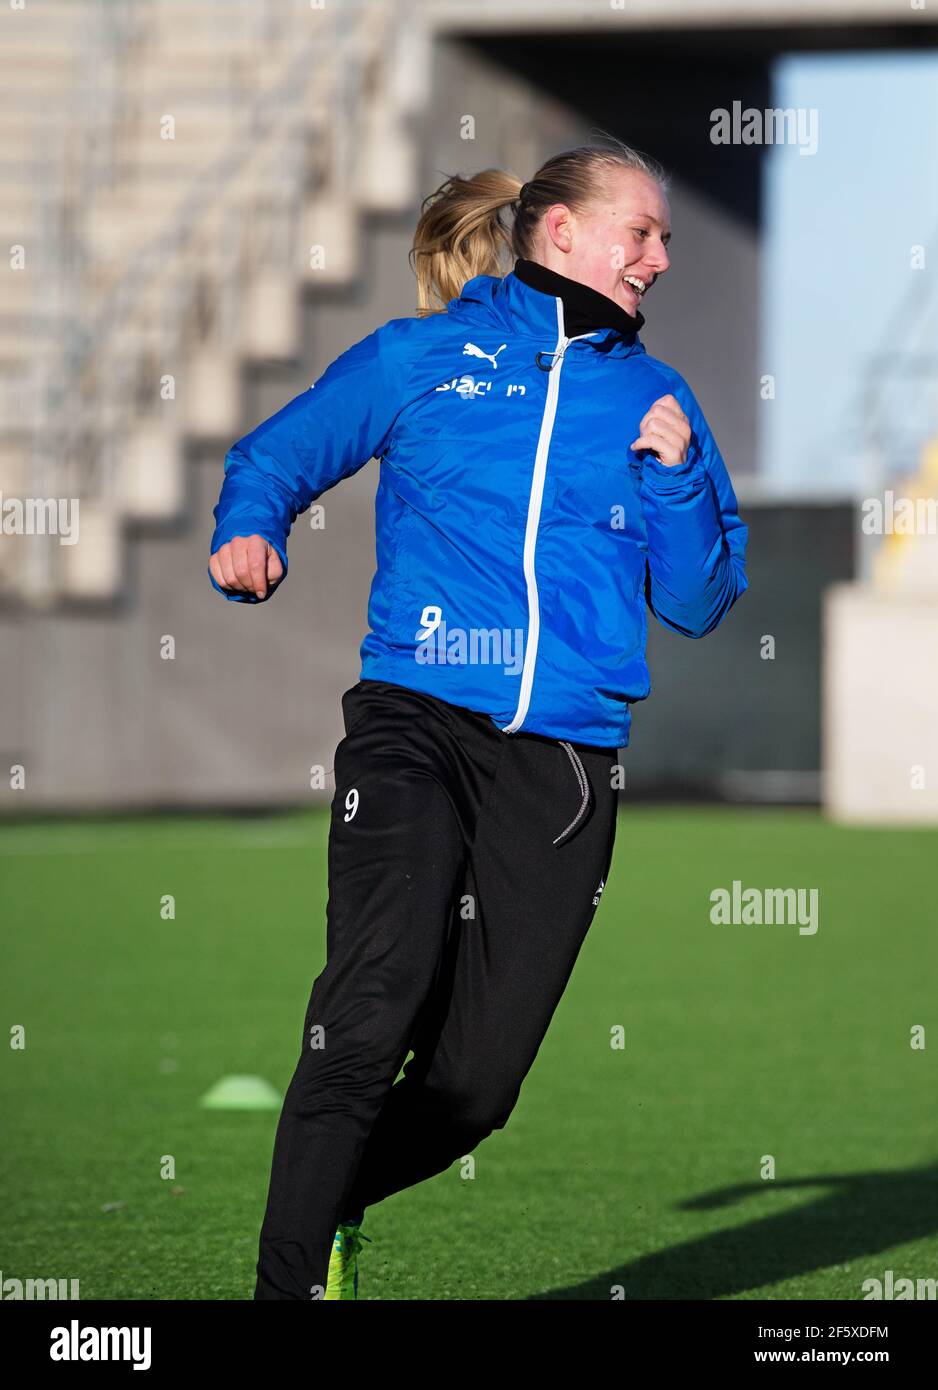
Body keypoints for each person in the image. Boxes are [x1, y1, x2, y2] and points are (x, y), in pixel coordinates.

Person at [208, 139, 748, 1301]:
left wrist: (675, 473)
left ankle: (336, 1194)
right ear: (562, 233)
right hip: (415, 721)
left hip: (561, 770)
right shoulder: (421, 357)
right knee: (368, 1010)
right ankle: (286, 1286)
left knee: (474, 1090)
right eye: (641, 232)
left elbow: (703, 599)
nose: (660, 255)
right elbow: (278, 453)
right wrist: (250, 527)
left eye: (662, 238)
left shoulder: (658, 401)